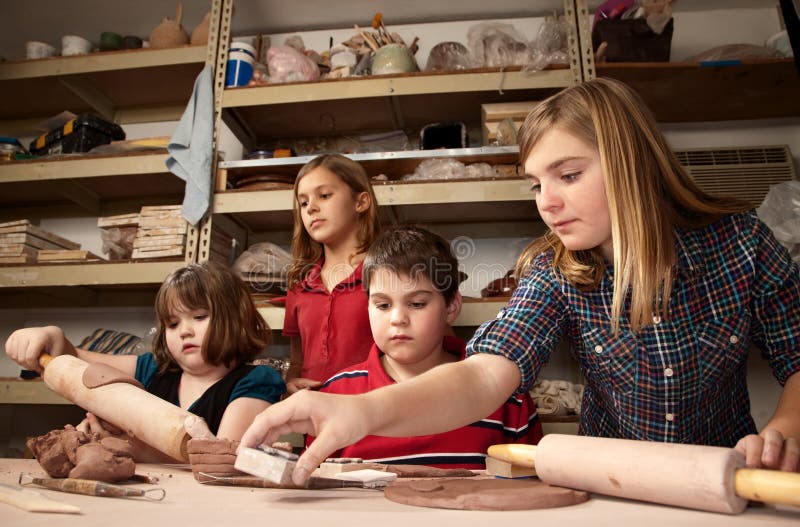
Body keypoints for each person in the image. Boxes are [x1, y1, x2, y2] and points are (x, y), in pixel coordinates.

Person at [241, 78, 800, 485]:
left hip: (731, 477)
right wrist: (362, 411)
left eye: (570, 175)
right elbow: (485, 375)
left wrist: (785, 429)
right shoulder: (555, 271)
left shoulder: (741, 242)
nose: (548, 204)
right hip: (614, 485)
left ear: (632, 161)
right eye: (535, 185)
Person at [305, 225, 542, 468]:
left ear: (451, 307)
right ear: (367, 307)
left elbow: (530, 488)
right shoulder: (335, 395)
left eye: (417, 304)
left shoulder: (507, 398)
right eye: (383, 305)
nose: (398, 318)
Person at [5, 261, 285, 460]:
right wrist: (52, 336)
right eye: (173, 324)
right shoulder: (153, 370)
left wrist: (134, 447)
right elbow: (77, 360)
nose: (184, 330)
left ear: (236, 319)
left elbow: (220, 461)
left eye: (199, 317)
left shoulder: (256, 381)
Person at [283, 154, 380, 394]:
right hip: (317, 424)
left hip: (377, 420)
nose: (311, 208)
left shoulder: (388, 271)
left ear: (361, 202)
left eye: (324, 195)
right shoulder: (299, 284)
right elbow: (298, 360)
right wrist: (292, 382)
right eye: (303, 203)